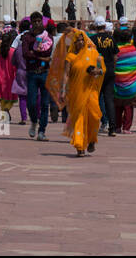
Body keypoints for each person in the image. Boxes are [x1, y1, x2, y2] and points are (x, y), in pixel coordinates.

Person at [47, 27, 104, 156]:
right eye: (77, 41)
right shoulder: (70, 57)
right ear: (73, 43)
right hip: (76, 92)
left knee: (95, 117)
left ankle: (91, 140)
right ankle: (80, 146)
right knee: (79, 118)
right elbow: (66, 75)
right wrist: (62, 91)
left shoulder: (93, 53)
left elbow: (101, 68)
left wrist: (97, 71)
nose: (80, 43)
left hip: (90, 92)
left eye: (82, 40)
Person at [23, 11, 54, 141]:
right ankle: (34, 121)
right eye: (34, 21)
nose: (36, 23)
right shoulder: (27, 37)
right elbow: (25, 53)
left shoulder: (48, 35)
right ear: (31, 23)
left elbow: (48, 50)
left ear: (42, 21)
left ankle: (42, 131)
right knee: (31, 102)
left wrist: (34, 53)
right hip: (32, 73)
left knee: (45, 103)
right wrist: (39, 56)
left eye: (38, 21)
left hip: (45, 73)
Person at [112, 26, 136, 133]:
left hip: (118, 83)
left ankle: (117, 127)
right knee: (128, 106)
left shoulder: (116, 49)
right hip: (131, 84)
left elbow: (113, 64)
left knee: (117, 106)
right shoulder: (133, 49)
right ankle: (127, 128)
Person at [93, 22, 118, 137]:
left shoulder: (92, 39)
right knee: (109, 100)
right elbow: (115, 57)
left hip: (97, 72)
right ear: (104, 26)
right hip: (109, 71)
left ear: (96, 27)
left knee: (95, 99)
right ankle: (112, 128)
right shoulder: (111, 39)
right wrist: (112, 68)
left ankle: (95, 124)